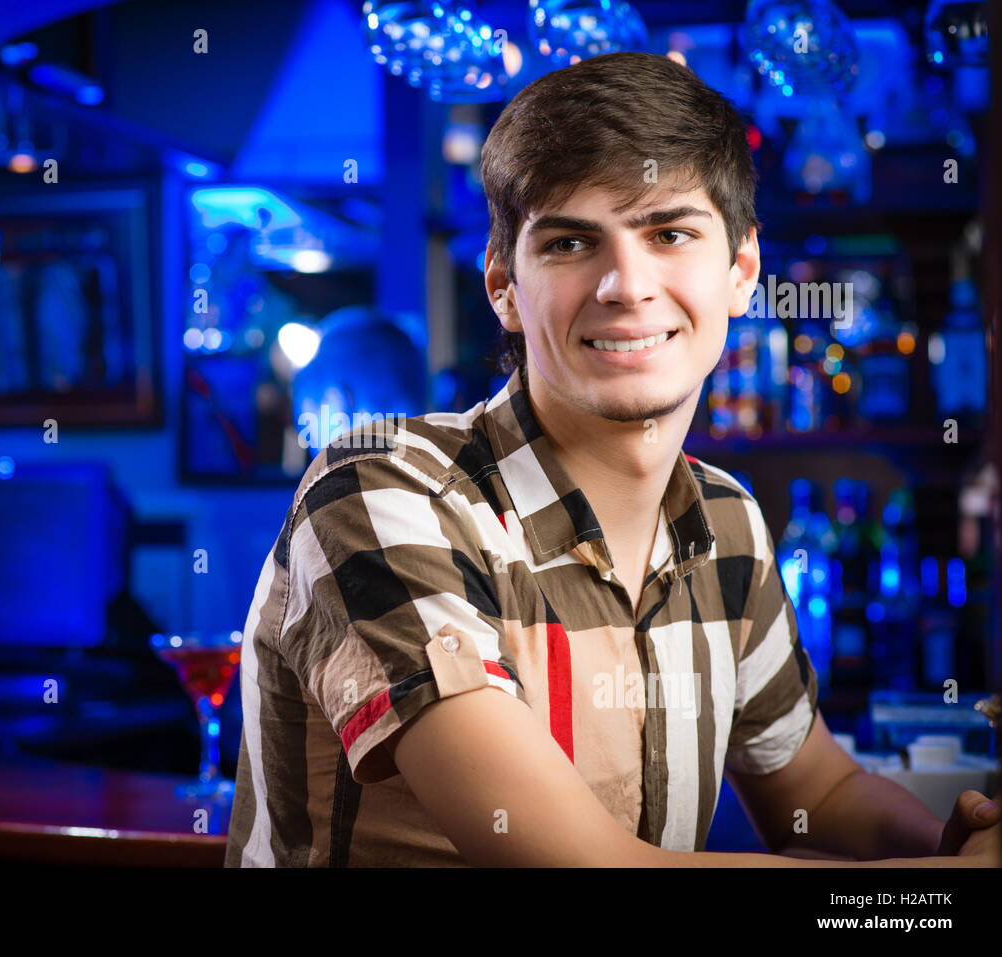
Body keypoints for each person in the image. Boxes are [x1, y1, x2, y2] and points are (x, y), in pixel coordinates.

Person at [224, 51, 999, 867]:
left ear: (740, 270)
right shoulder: (384, 491)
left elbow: (819, 794)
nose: (626, 285)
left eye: (669, 232)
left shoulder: (725, 521)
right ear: (504, 287)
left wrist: (957, 845)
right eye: (569, 243)